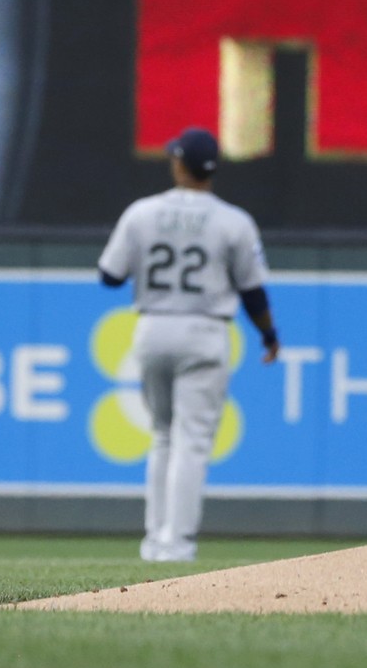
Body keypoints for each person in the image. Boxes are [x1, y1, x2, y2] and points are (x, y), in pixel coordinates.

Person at [99, 126, 280, 561]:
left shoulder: (142, 212)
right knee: (192, 440)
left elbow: (110, 276)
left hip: (153, 327)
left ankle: (153, 540)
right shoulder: (233, 220)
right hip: (205, 331)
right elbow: (253, 292)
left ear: (180, 164)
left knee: (162, 435)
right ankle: (176, 543)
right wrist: (269, 335)